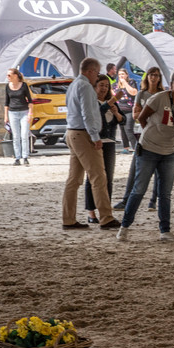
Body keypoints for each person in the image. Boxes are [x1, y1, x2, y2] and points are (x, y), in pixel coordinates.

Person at [118, 70, 174, 242]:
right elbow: (142, 118)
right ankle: (124, 226)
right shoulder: (158, 98)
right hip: (149, 149)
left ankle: (165, 230)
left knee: (165, 193)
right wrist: (150, 134)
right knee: (139, 189)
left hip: (170, 151)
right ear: (171, 84)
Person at [62, 57, 117, 231]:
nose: (97, 77)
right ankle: (106, 217)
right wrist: (95, 136)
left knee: (74, 179)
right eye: (97, 72)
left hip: (72, 132)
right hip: (83, 134)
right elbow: (88, 113)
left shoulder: (73, 85)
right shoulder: (85, 86)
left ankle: (68, 218)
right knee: (98, 177)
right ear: (91, 71)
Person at [113, 66, 163, 211]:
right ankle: (126, 199)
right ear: (147, 77)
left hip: (159, 135)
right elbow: (136, 115)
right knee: (134, 168)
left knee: (159, 170)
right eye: (151, 75)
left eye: (156, 75)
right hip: (144, 134)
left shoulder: (164, 94)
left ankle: (153, 200)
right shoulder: (141, 94)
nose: (153, 77)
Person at [85, 74, 123, 228]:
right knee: (93, 177)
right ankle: (91, 211)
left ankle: (105, 211)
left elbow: (123, 120)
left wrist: (115, 112)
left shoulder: (112, 103)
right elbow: (98, 111)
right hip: (95, 142)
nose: (104, 88)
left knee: (108, 177)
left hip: (110, 142)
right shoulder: (91, 102)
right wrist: (112, 101)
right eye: (101, 85)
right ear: (95, 86)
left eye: (107, 86)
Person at [4, 68, 34, 166]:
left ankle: (25, 156)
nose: (8, 77)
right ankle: (17, 157)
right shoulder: (7, 86)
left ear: (15, 76)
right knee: (16, 136)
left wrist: (30, 113)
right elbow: (6, 102)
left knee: (24, 134)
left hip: (24, 111)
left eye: (9, 75)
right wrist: (6, 116)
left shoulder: (24, 86)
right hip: (12, 112)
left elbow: (30, 101)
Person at [111, 67, 139, 150]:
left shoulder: (131, 82)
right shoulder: (115, 85)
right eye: (119, 74)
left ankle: (135, 148)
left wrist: (125, 83)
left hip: (129, 109)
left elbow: (133, 92)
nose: (121, 76)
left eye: (123, 74)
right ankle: (126, 147)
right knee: (122, 129)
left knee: (128, 129)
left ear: (127, 75)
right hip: (120, 109)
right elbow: (113, 97)